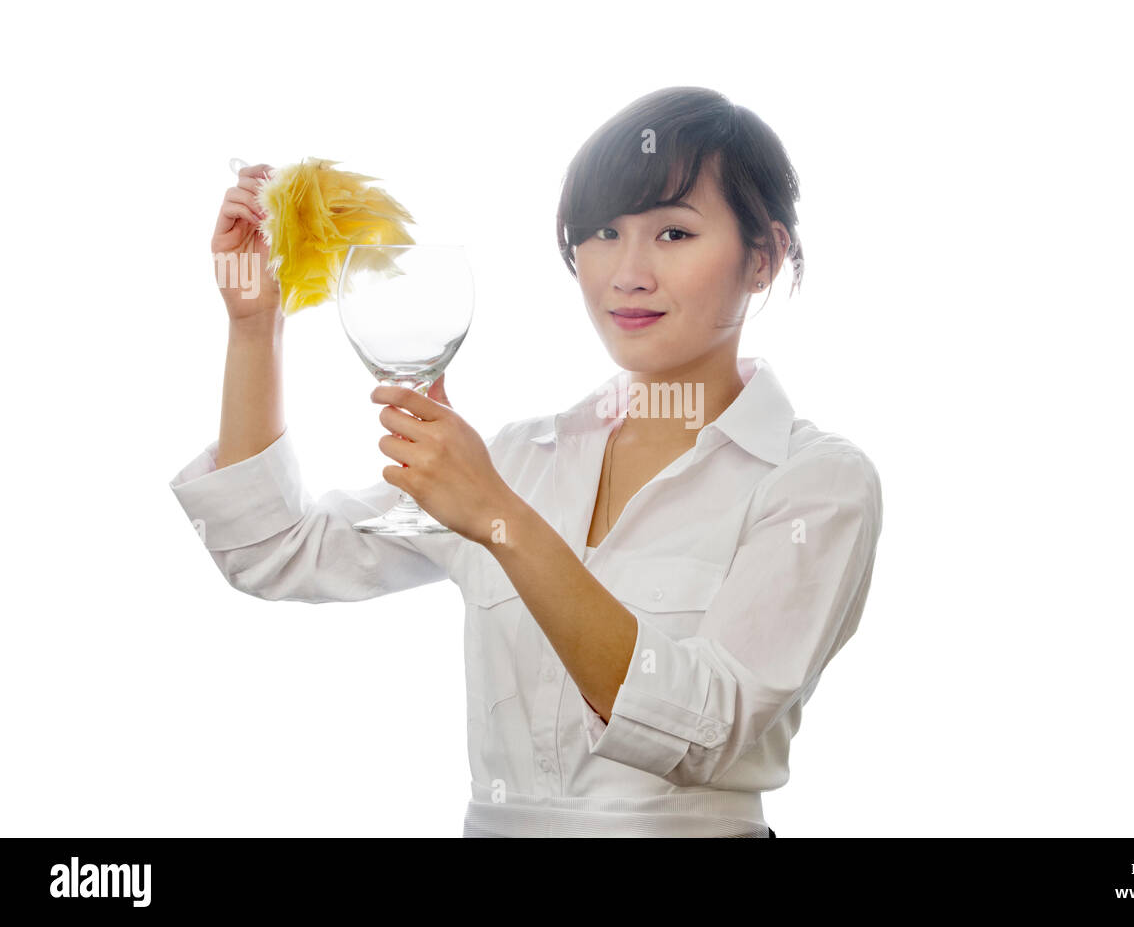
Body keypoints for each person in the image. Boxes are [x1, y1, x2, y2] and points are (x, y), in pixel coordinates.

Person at [171, 86, 883, 837]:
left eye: (674, 233)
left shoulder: (815, 483)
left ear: (763, 258)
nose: (627, 273)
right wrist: (255, 326)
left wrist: (501, 520)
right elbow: (272, 552)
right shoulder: (518, 458)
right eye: (602, 232)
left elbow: (704, 729)